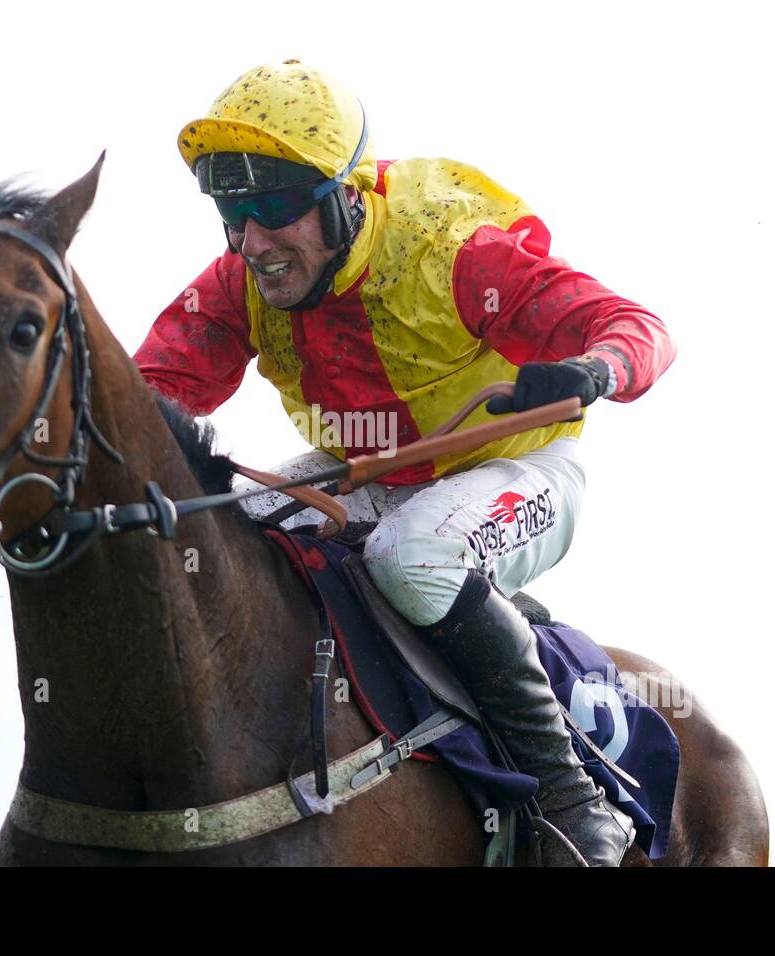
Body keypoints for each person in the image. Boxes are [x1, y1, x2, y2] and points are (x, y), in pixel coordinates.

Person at [134, 60, 677, 866]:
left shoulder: (452, 253)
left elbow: (638, 325)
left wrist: (597, 370)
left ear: (346, 195)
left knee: (410, 553)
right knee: (220, 537)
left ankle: (570, 796)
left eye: (277, 205)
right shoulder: (240, 279)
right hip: (364, 468)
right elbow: (139, 401)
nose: (254, 241)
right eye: (233, 213)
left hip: (517, 465)